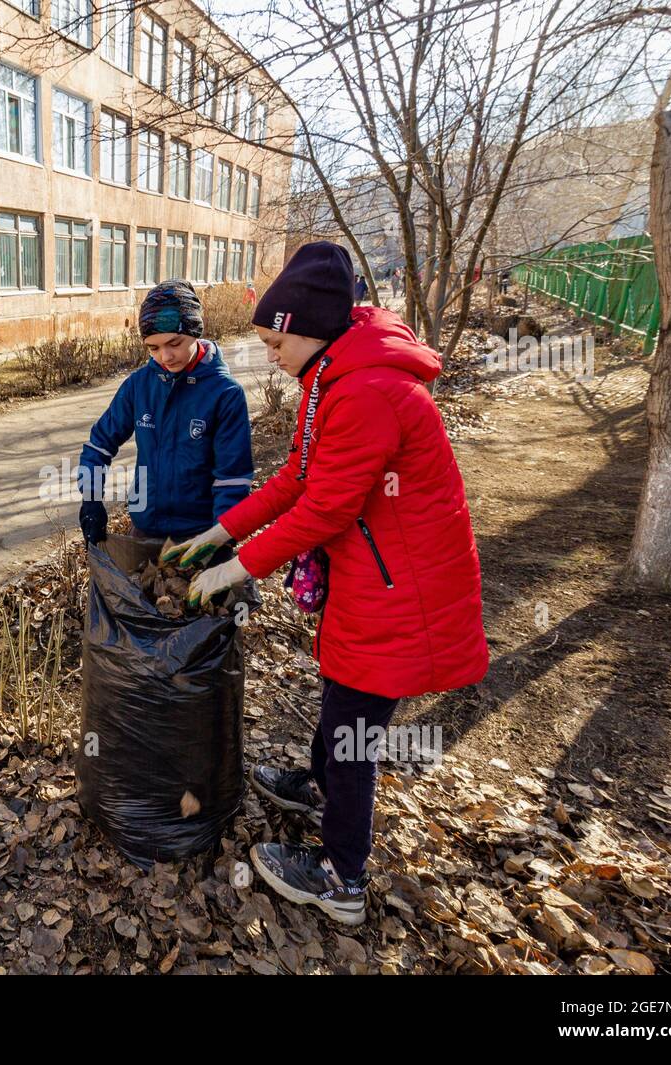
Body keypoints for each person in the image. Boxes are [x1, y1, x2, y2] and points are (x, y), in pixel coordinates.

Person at [169, 242, 488, 925]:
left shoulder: (368, 390)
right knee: (342, 704)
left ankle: (343, 878)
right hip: (376, 580)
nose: (268, 355)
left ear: (307, 325)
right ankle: (317, 785)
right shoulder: (336, 376)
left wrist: (237, 567)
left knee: (354, 734)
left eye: (273, 340)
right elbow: (298, 480)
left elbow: (327, 507)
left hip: (403, 594)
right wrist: (223, 531)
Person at [78, 279, 253, 546]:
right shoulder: (140, 386)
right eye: (154, 348)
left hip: (202, 534)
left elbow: (232, 477)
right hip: (146, 528)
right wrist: (91, 499)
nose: (166, 356)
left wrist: (222, 537)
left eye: (175, 343)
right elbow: (99, 445)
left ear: (195, 331)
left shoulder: (225, 394)